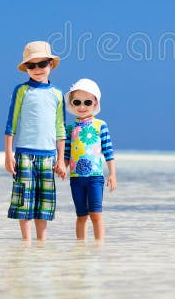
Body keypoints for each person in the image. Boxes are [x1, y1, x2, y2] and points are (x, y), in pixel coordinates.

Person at [4, 40, 67, 241]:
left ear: (51, 65)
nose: (37, 69)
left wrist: (61, 159)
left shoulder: (57, 94)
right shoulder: (22, 90)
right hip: (24, 153)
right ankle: (26, 242)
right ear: (26, 68)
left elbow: (60, 129)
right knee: (24, 200)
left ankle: (41, 243)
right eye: (32, 65)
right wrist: (8, 155)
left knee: (44, 202)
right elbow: (11, 123)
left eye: (42, 64)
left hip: (48, 156)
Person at [63, 78, 116, 241]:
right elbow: (66, 153)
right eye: (77, 102)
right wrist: (62, 167)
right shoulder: (70, 128)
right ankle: (80, 248)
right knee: (81, 216)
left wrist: (112, 174)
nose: (82, 107)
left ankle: (99, 246)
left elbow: (108, 151)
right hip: (76, 178)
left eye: (87, 102)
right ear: (71, 104)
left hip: (95, 178)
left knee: (96, 214)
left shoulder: (100, 125)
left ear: (95, 103)